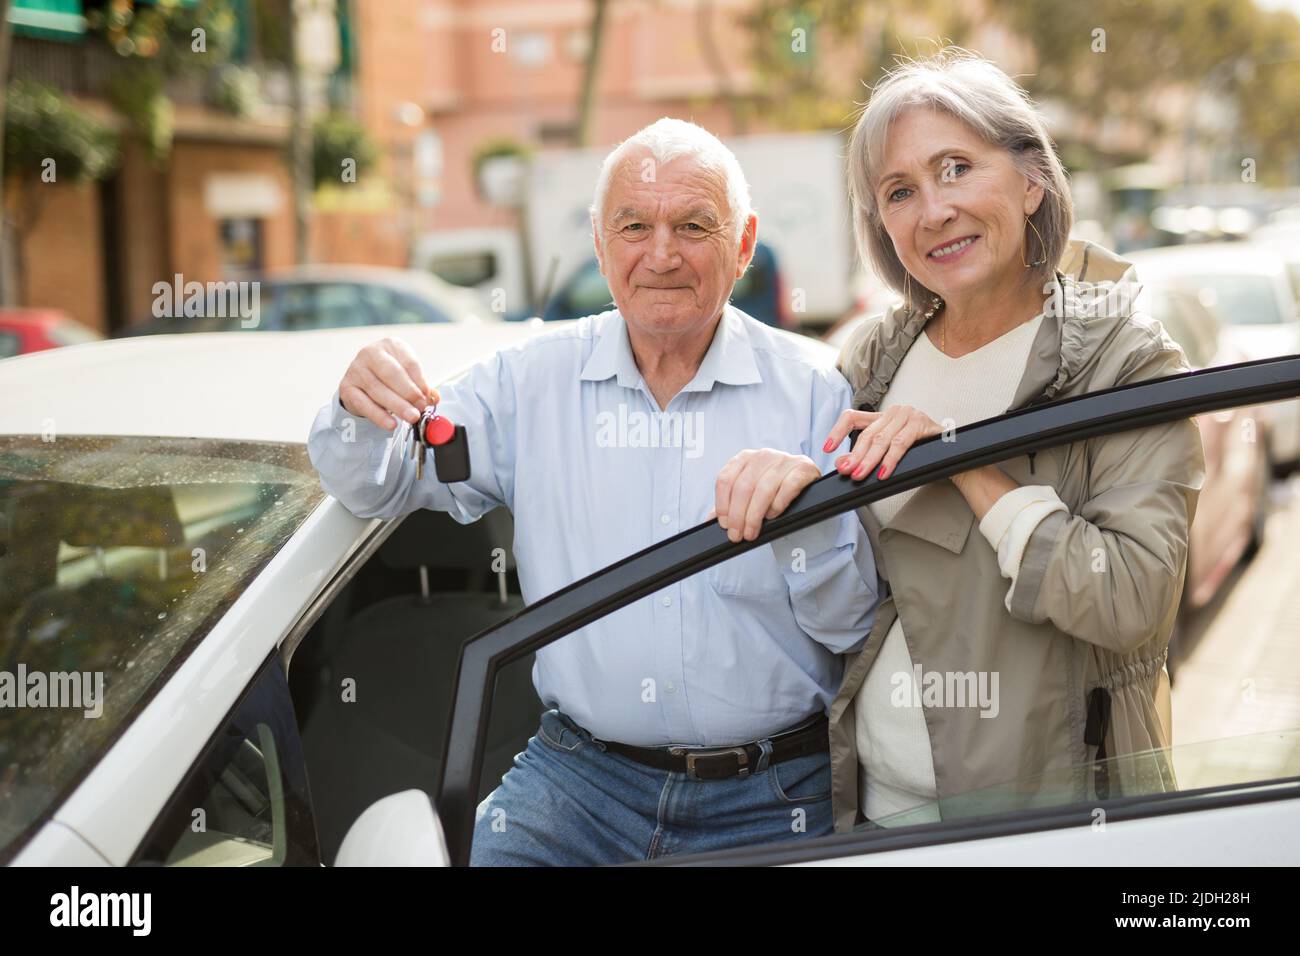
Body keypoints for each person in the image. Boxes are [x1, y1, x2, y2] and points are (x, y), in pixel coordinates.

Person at [307, 118, 878, 864]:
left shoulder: (812, 393)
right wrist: (359, 408)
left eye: (694, 225)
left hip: (772, 795)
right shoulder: (528, 383)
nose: (662, 252)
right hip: (576, 784)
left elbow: (851, 627)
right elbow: (375, 488)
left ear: (742, 243)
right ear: (600, 245)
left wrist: (805, 519)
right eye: (633, 225)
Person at [712, 49, 1205, 831]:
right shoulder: (873, 360)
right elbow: (855, 595)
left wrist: (960, 458)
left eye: (956, 168)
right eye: (899, 192)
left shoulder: (1124, 360)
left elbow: (1130, 599)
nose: (933, 210)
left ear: (1032, 178)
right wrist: (800, 488)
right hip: (876, 811)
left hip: (1049, 823)